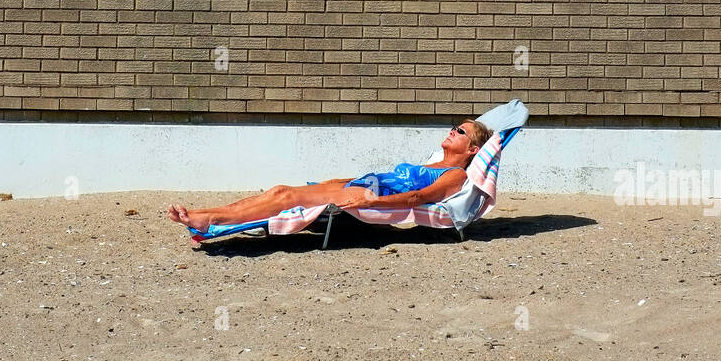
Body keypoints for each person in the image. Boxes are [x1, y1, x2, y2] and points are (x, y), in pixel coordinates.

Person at [167, 119, 494, 238]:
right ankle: (210, 213)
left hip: (372, 196)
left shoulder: (455, 175)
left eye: (460, 131)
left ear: (473, 148)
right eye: (454, 126)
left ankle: (209, 220)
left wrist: (372, 201)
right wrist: (342, 181)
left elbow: (417, 200)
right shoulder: (436, 161)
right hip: (364, 183)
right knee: (282, 190)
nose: (452, 131)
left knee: (285, 199)